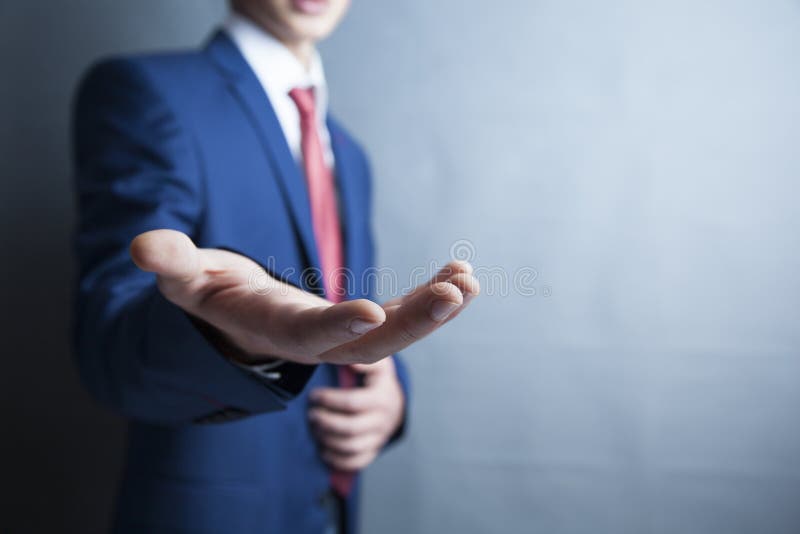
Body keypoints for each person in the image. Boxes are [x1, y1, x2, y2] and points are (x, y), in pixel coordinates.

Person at [72, 0, 479, 532]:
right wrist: (238, 338)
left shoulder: (349, 154)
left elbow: (350, 310)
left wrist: (389, 393)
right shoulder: (145, 92)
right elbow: (112, 354)